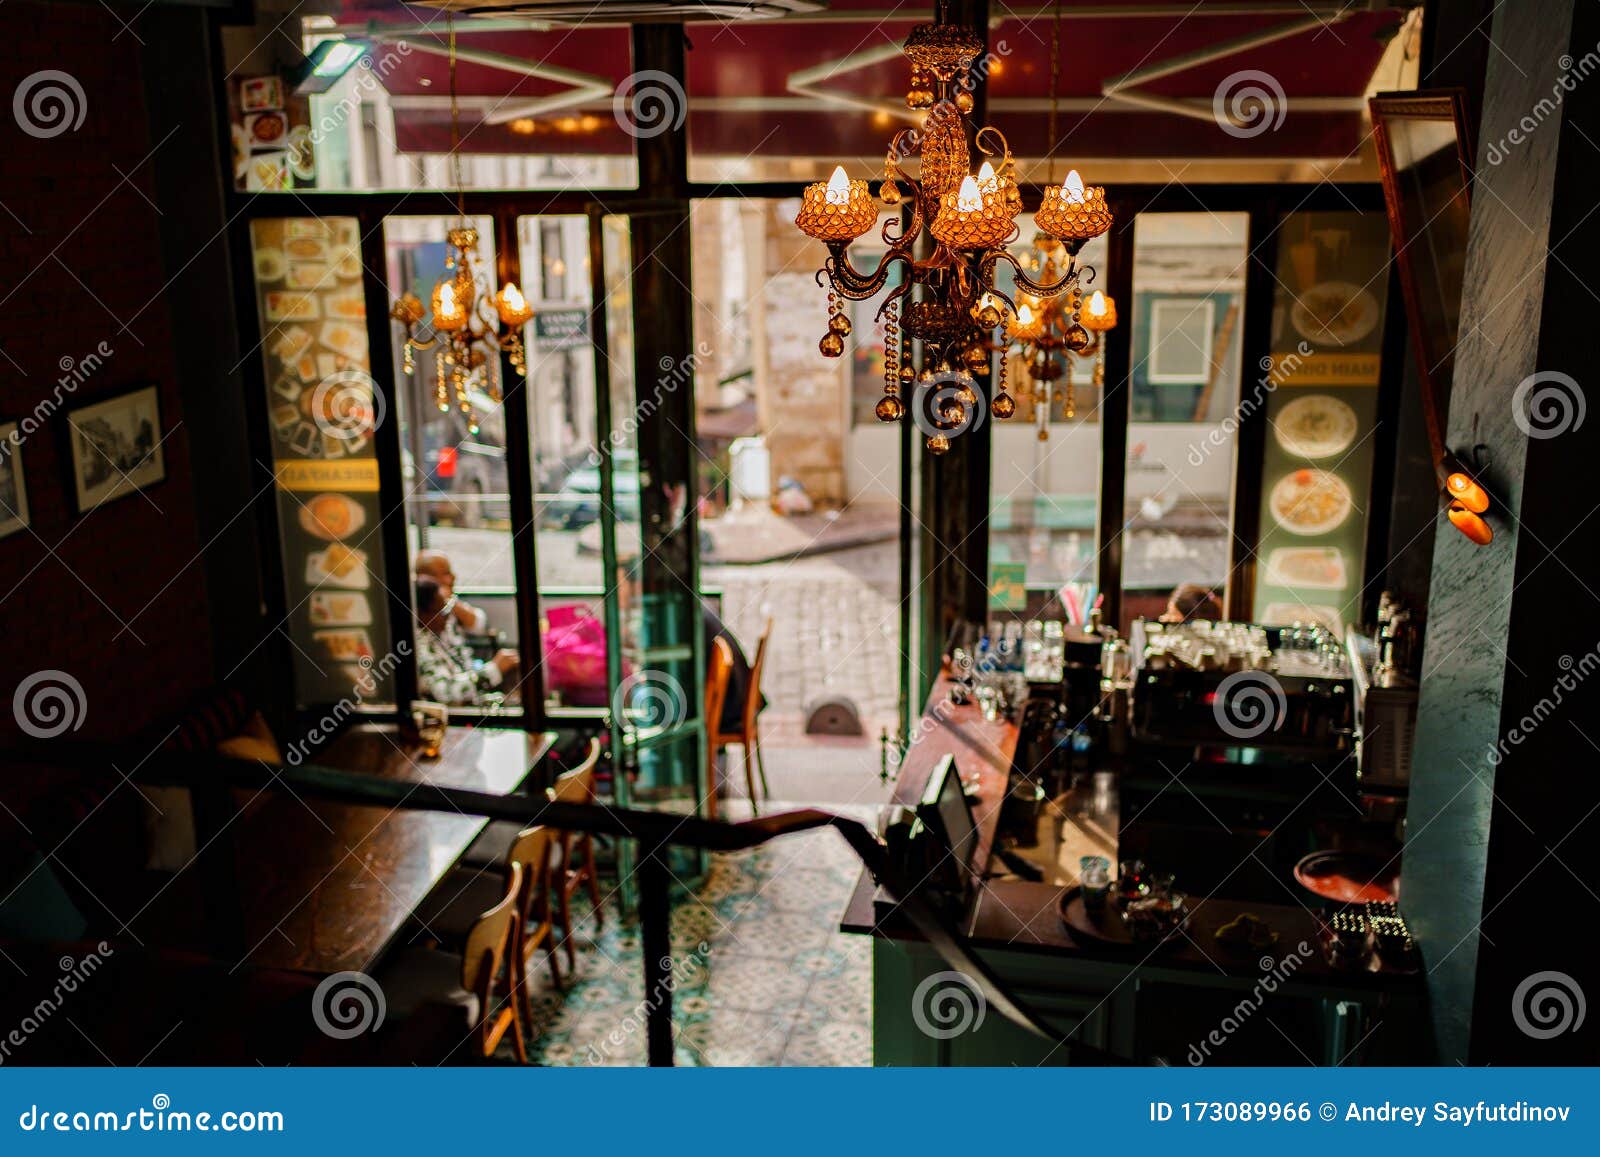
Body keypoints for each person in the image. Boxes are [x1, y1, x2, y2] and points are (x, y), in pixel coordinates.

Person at [414, 576, 518, 706]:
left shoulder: (439, 630)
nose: (448, 616)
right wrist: (493, 670)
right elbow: (446, 694)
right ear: (422, 615)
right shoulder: (419, 647)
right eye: (442, 612)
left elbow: (464, 666)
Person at [414, 551, 492, 636]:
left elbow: (479, 625)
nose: (454, 577)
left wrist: (450, 602)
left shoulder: (449, 599)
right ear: (427, 578)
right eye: (446, 573)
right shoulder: (424, 610)